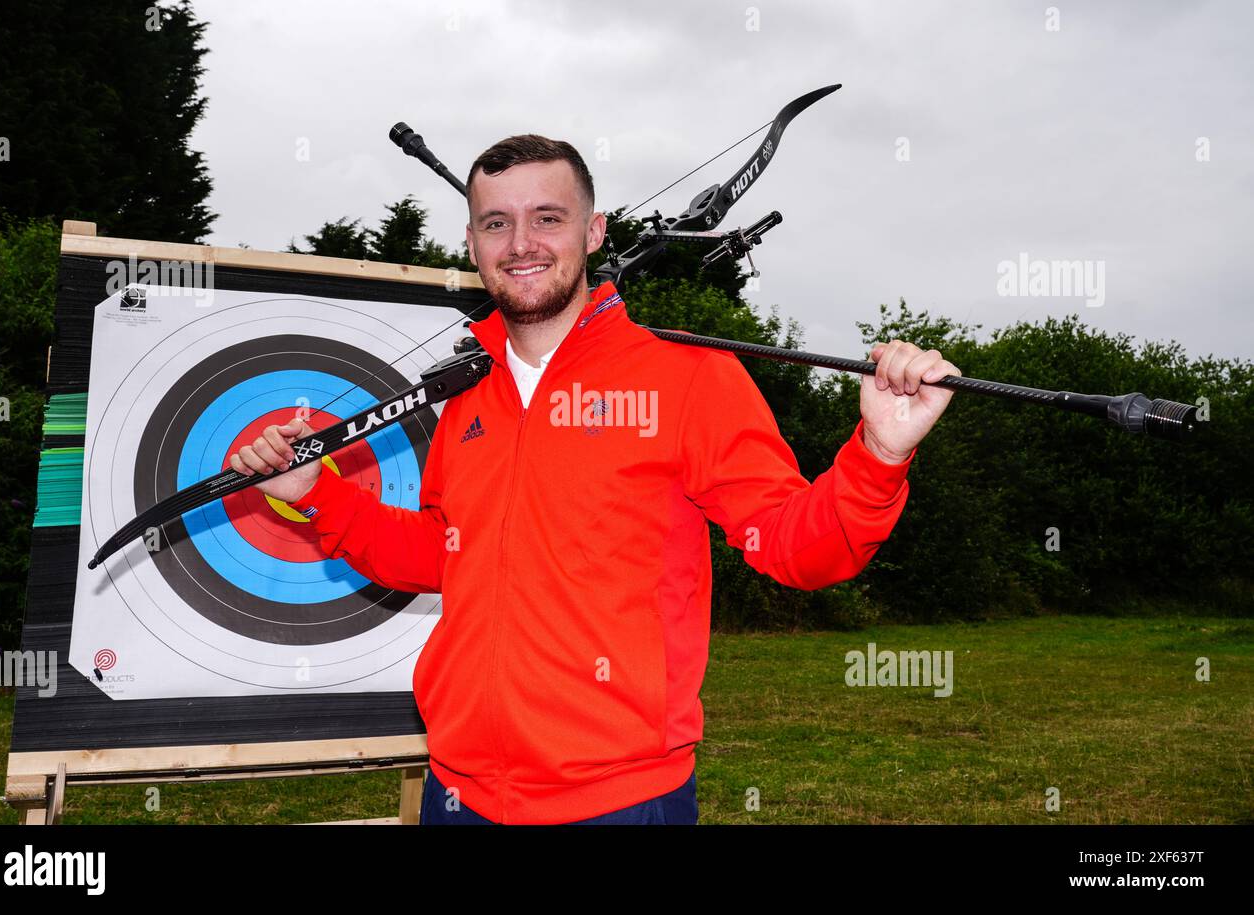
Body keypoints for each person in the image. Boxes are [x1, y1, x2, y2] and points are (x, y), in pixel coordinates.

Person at [228, 135, 960, 825]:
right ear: (472, 242)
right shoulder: (468, 399)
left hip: (621, 799)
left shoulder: (687, 378)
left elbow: (802, 547)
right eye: (496, 223)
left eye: (547, 218)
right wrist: (315, 493)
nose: (521, 244)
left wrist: (877, 453)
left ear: (594, 231)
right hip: (457, 790)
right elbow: (440, 553)